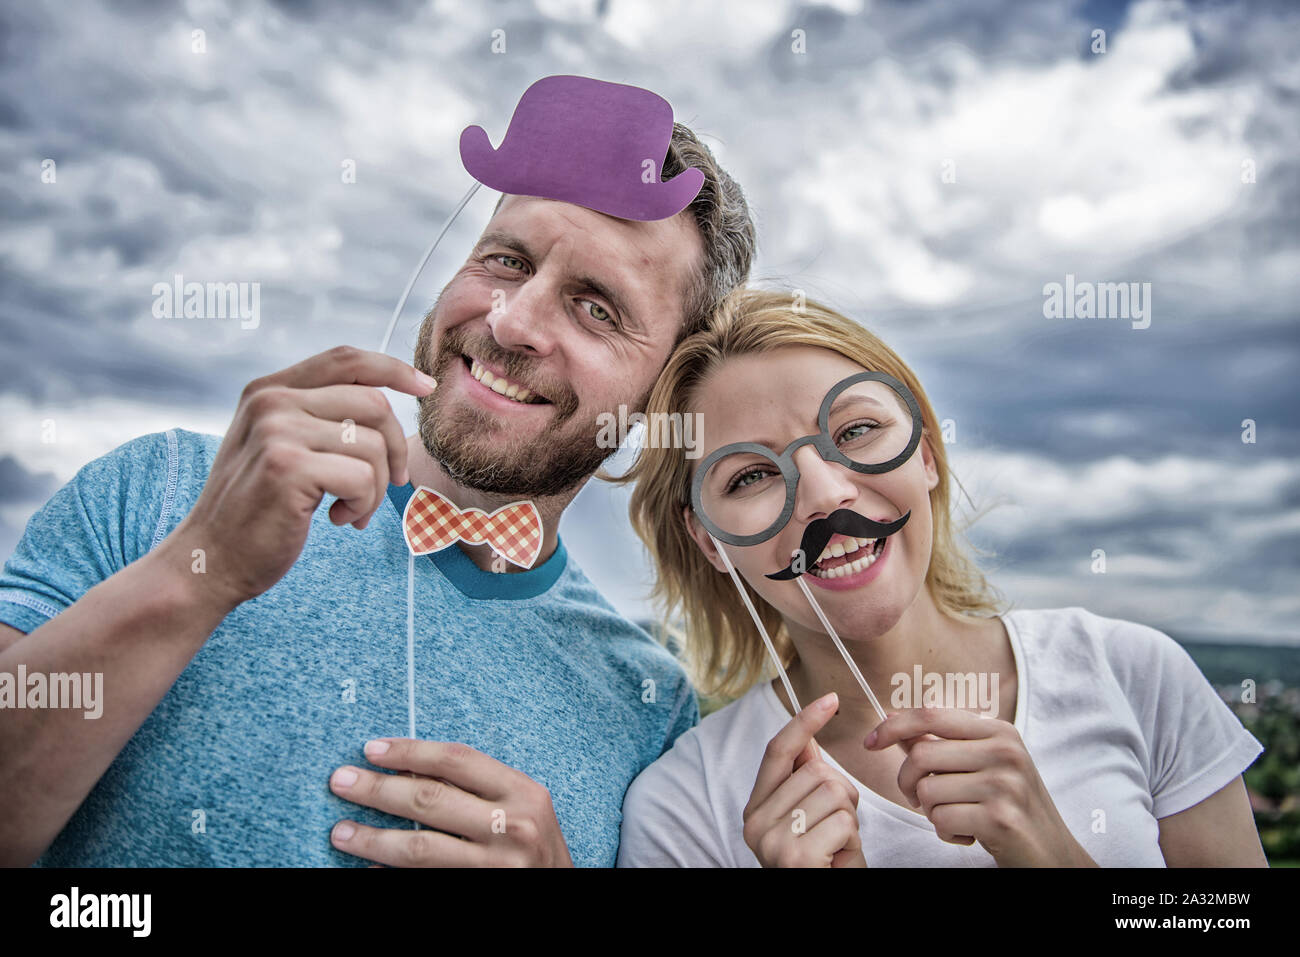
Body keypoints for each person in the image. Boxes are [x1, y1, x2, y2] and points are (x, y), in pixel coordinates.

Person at [0, 76, 756, 867]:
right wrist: (204, 568)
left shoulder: (650, 704)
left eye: (596, 307)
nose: (513, 320)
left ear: (667, 388)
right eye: (506, 260)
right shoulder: (157, 489)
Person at [615, 288, 1267, 867]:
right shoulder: (685, 809)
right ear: (709, 539)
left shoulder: (1134, 674)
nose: (824, 494)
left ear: (925, 453)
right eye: (751, 475)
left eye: (857, 430)